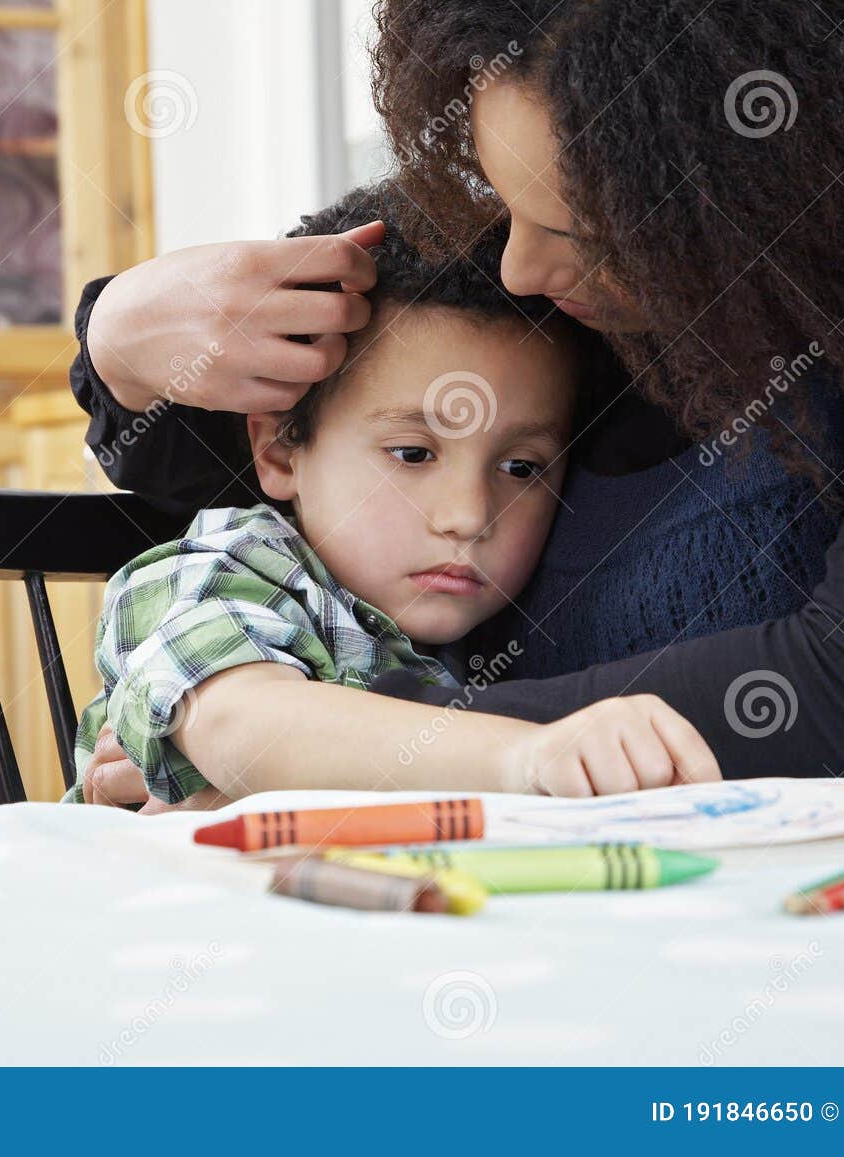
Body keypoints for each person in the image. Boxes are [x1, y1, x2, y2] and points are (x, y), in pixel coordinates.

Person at [71, 0, 844, 808]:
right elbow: (312, 446)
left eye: (577, 233)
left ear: (755, 200)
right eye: (504, 202)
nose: (518, 267)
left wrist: (330, 753)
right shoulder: (570, 298)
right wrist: (113, 344)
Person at [66, 184, 719, 808]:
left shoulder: (490, 631)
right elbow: (243, 726)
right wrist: (525, 759)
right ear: (277, 449)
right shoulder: (225, 567)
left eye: (521, 467)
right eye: (413, 454)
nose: (468, 516)